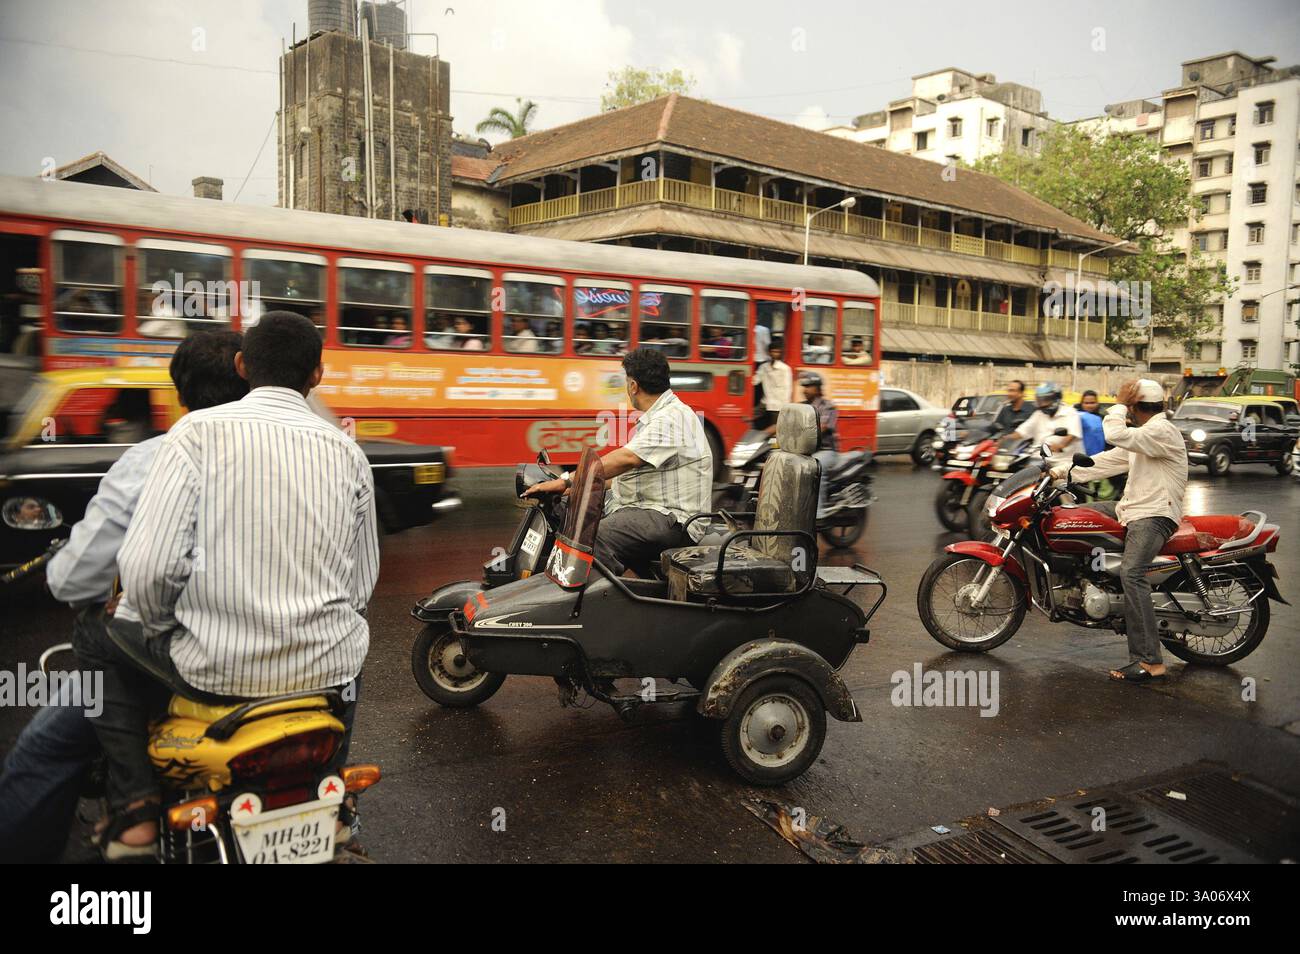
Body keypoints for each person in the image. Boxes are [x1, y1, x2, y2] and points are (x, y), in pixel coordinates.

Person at [71, 312, 379, 858]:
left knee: (94, 634)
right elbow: (359, 589)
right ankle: (333, 805)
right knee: (347, 640)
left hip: (211, 672)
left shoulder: (194, 435)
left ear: (242, 365)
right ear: (318, 375)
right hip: (323, 675)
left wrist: (164, 626)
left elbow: (148, 572)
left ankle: (136, 808)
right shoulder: (348, 453)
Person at [0, 330, 248, 863]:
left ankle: (133, 807)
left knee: (40, 750)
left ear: (179, 393)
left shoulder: (147, 462)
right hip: (294, 662)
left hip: (180, 661)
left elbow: (75, 581)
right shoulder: (296, 456)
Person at [523, 348, 712, 577]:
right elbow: (624, 477)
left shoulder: (672, 418)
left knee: (592, 537)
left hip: (674, 520)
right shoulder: (658, 417)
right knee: (566, 510)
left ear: (633, 386)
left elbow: (626, 459)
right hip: (648, 508)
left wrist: (566, 480)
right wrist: (573, 491)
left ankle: (592, 604)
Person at [1053, 379, 1186, 684]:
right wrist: (1060, 472)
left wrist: (1119, 405)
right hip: (1133, 508)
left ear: (1137, 408)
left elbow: (1114, 434)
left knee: (1133, 572)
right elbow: (1108, 461)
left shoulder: (1161, 431)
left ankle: (1150, 661)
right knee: (1078, 515)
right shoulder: (1144, 437)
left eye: (1130, 407)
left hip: (1154, 515)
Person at [800, 372, 840, 517]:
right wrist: (765, 433)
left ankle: (819, 512)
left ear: (817, 389)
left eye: (809, 386)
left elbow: (822, 427)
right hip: (805, 450)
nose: (805, 390)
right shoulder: (801, 407)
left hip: (826, 451)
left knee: (816, 467)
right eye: (804, 386)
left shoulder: (827, 407)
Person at [1013, 381, 1082, 462]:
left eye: (1045, 400)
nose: (1042, 404)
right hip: (1038, 459)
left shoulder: (1070, 413)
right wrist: (1005, 440)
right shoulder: (1038, 414)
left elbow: (1072, 434)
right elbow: (1022, 432)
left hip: (1063, 461)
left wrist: (1060, 445)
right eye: (1040, 400)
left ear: (1056, 399)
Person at [753, 339, 793, 431]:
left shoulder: (785, 369)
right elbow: (755, 380)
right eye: (773, 351)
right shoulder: (764, 367)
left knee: (776, 431)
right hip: (765, 403)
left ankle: (774, 445)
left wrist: (785, 407)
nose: (775, 354)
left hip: (778, 405)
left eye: (777, 352)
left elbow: (788, 389)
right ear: (769, 352)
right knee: (751, 421)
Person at [1076, 389, 1106, 456]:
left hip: (1099, 456)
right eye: (1086, 403)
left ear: (1097, 403)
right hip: (1080, 456)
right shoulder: (1075, 417)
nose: (1089, 406)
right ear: (1081, 403)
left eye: (1092, 403)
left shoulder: (1103, 418)